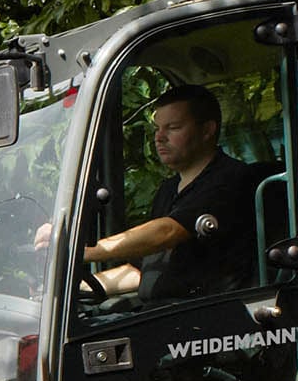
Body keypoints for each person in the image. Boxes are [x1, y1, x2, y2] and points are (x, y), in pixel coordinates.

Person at [82, 85, 260, 303]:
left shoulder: (231, 179)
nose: (159, 138)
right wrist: (76, 287)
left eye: (173, 127)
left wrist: (84, 250)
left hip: (207, 318)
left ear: (207, 130)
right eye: (157, 128)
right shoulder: (168, 189)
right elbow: (142, 271)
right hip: (160, 315)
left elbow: (167, 232)